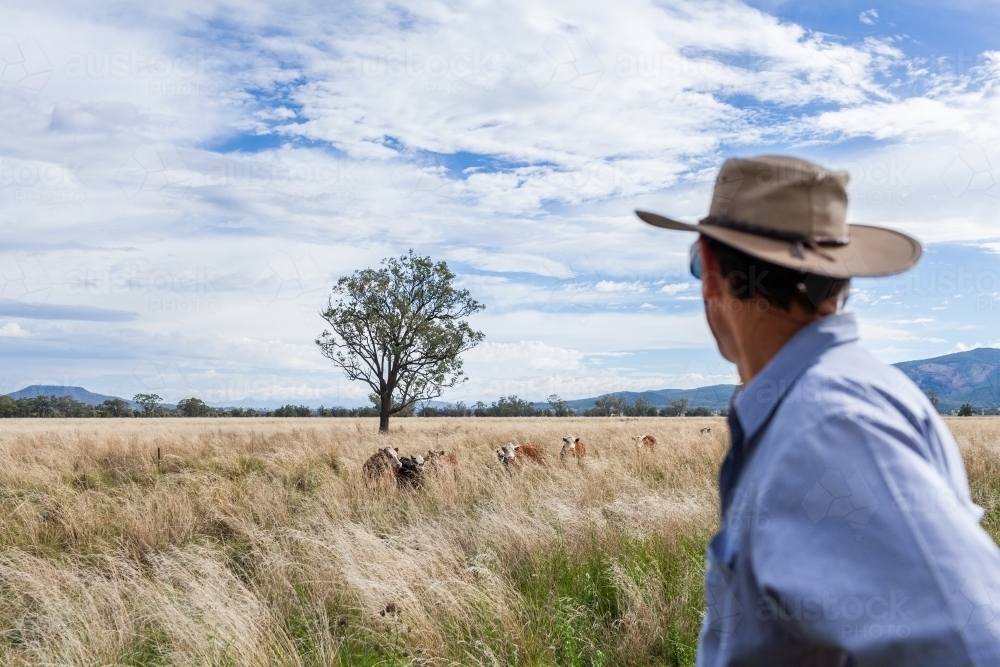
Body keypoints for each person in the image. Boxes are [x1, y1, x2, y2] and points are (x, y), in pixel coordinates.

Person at [636, 156, 1000, 666]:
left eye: (698, 262)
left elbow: (975, 646)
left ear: (713, 274)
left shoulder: (828, 424)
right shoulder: (838, 397)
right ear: (839, 279)